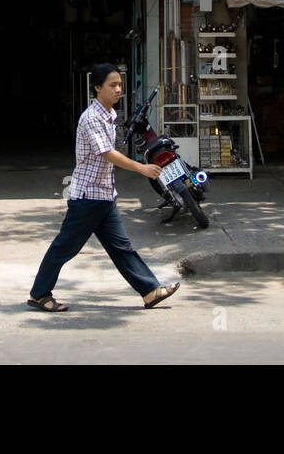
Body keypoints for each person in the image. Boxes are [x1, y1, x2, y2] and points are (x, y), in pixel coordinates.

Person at [27, 64, 180, 312]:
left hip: (104, 196)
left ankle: (150, 291)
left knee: (121, 248)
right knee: (65, 247)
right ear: (98, 88)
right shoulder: (92, 118)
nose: (118, 90)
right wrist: (142, 168)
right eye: (112, 85)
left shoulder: (109, 115)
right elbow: (107, 154)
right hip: (87, 198)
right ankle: (38, 294)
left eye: (120, 85)